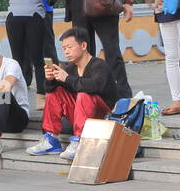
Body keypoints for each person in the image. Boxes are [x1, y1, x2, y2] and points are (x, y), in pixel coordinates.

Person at [26, 27, 120, 160]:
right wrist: (50, 80)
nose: (66, 51)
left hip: (103, 118)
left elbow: (94, 86)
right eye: (64, 48)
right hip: (81, 115)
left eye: (69, 47)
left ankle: (79, 141)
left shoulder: (99, 65)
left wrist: (67, 78)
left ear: (83, 45)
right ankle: (51, 139)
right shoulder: (70, 68)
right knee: (55, 93)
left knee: (84, 93)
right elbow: (52, 90)